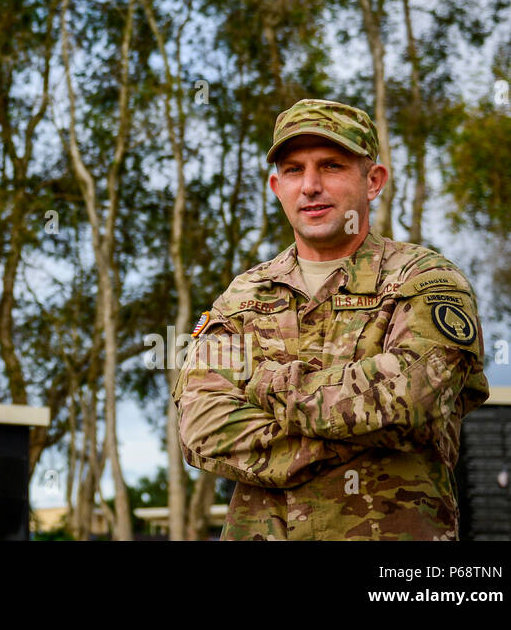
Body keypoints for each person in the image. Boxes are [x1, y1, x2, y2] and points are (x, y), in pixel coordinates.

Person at [173, 98, 489, 540]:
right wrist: (353, 438)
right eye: (294, 170)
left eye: (332, 166)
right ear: (275, 186)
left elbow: (409, 397)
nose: (310, 186)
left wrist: (266, 384)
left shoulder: (424, 279)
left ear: (373, 180)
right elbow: (200, 425)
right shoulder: (243, 296)